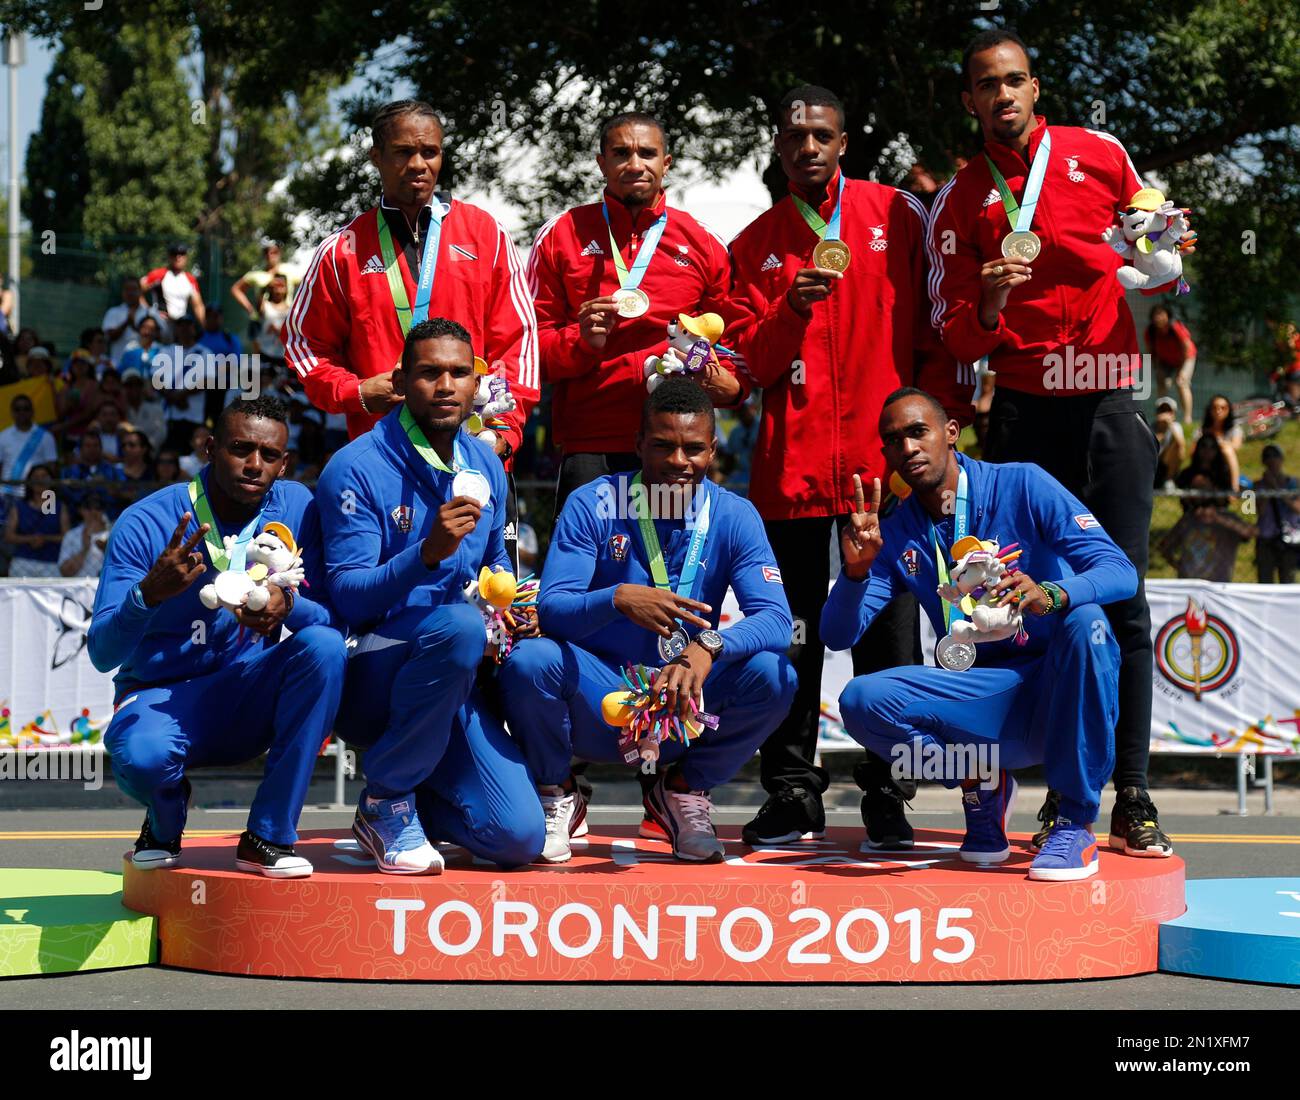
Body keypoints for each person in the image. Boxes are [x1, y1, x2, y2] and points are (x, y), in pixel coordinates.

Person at [926, 29, 1188, 856]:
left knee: (1125, 598)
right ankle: (1059, 794)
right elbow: (955, 335)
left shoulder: (1099, 152)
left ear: (1035, 88)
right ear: (969, 100)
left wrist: (1163, 250)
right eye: (984, 86)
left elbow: (1161, 261)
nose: (1001, 96)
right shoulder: (961, 197)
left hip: (1110, 397)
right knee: (1020, 605)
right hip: (1027, 418)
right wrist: (993, 308)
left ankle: (1134, 792)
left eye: (1013, 81)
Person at [727, 84, 971, 848]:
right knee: (791, 639)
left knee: (888, 640)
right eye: (795, 135)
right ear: (777, 144)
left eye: (822, 135)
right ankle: (794, 790)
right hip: (790, 474)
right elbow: (747, 369)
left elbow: (935, 333)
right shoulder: (754, 244)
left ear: (843, 143)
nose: (808, 147)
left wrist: (928, 451)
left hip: (883, 473)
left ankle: (888, 792)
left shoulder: (897, 215)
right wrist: (788, 309)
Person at [826, 389, 1137, 879]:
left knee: (1089, 623)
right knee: (862, 699)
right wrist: (855, 573)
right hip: (983, 699)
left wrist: (1052, 594)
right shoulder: (897, 532)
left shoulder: (1023, 484)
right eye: (893, 440)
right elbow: (838, 633)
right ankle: (979, 778)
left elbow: (1120, 570)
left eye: (917, 431)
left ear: (951, 432)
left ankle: (1074, 821)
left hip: (1055, 690)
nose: (907, 447)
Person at [501, 378, 797, 863]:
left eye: (693, 448)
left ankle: (680, 793)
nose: (679, 461)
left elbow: (776, 621)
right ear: (638, 445)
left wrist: (708, 647)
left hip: (684, 704)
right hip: (602, 700)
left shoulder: (735, 516)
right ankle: (558, 793)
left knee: (775, 673)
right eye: (662, 445)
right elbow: (552, 608)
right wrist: (615, 599)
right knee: (531, 659)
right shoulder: (593, 503)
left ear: (713, 449)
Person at [316, 317, 544, 874]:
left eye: (459, 373)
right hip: (373, 672)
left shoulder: (486, 462)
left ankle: (413, 802)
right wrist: (426, 552)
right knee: (457, 627)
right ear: (400, 380)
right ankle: (384, 800)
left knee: (518, 839)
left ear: (477, 383)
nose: (445, 386)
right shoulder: (356, 467)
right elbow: (348, 599)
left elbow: (494, 562)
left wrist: (510, 603)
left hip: (453, 669)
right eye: (428, 373)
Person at [89, 396, 346, 876]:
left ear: (284, 462)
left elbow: (337, 620)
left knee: (325, 648)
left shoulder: (298, 506)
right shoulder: (146, 522)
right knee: (144, 757)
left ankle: (268, 835)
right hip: (163, 698)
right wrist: (147, 595)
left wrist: (288, 604)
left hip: (248, 693)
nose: (254, 464)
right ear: (209, 448)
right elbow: (103, 654)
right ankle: (166, 814)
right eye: (240, 448)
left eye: (269, 455)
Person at [286, 99, 538, 566]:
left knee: (489, 602)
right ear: (376, 157)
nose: (418, 164)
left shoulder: (486, 235)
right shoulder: (342, 250)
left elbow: (519, 340)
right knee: (381, 596)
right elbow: (305, 348)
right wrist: (356, 391)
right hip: (384, 459)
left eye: (430, 152)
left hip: (476, 449)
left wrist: (505, 430)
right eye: (403, 152)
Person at [527, 111, 744, 511]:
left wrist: (714, 374)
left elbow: (730, 352)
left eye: (647, 153)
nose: (635, 164)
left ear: (667, 162)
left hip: (675, 446)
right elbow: (527, 354)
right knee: (587, 570)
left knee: (675, 569)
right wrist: (582, 342)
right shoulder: (560, 235)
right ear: (601, 163)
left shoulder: (703, 243)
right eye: (621, 153)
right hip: (592, 442)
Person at [1161, 435, 1255, 582]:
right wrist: (1179, 566)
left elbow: (1249, 532)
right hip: (1189, 583)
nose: (1200, 494)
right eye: (1196, 490)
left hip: (1217, 584)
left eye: (1204, 489)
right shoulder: (1188, 521)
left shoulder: (1226, 518)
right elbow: (1165, 547)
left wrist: (1217, 517)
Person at [153, 314, 212, 453]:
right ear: (176, 329)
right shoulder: (165, 351)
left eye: (188, 325)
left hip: (194, 415)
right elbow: (156, 379)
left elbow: (208, 380)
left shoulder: (204, 352)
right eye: (181, 326)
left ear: (194, 329)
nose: (184, 329)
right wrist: (173, 397)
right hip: (169, 414)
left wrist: (180, 395)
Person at [4, 465, 69, 577]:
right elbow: (9, 536)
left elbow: (67, 536)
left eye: (44, 476)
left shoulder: (59, 507)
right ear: (29, 482)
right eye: (36, 477)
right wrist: (30, 539)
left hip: (51, 563)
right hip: (23, 562)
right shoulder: (19, 507)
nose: (40, 480)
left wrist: (45, 539)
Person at [231, 242, 302, 333]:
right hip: (262, 320)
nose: (270, 255)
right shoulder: (257, 273)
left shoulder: (291, 271)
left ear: (279, 253)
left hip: (285, 320)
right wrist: (251, 310)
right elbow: (236, 289)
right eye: (267, 252)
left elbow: (307, 286)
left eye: (274, 252)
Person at [0, 393, 58, 502]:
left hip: (36, 495)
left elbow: (52, 470)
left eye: (26, 409)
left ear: (32, 412)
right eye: (18, 409)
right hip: (6, 494)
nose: (22, 412)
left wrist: (48, 499)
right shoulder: (2, 436)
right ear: (12, 413)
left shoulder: (46, 437)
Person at [1255, 443, 1300, 584]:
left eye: (1275, 455)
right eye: (1267, 456)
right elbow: (1253, 511)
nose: (1272, 460)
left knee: (1288, 581)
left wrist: (1276, 489)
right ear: (1263, 461)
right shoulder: (1256, 486)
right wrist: (1267, 490)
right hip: (1266, 539)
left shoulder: (1295, 483)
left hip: (1289, 539)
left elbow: (1297, 508)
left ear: (1282, 459)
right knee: (1265, 581)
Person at [1145, 305, 1196, 425]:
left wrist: (1182, 370)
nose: (1158, 318)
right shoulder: (1150, 332)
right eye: (1156, 315)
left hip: (1186, 358)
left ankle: (1187, 419)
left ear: (1168, 316)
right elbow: (1151, 351)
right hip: (1165, 361)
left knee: (1182, 383)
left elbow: (1187, 348)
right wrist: (1157, 368)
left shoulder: (1175, 327)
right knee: (1161, 382)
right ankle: (1162, 415)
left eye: (1161, 314)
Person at [101, 277, 166, 365]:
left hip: (144, 366)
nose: (130, 293)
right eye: (127, 289)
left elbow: (162, 338)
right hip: (118, 364)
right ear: (122, 292)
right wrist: (127, 322)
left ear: (140, 292)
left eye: (134, 289)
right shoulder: (113, 312)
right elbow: (109, 337)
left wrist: (139, 329)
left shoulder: (151, 313)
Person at [141, 243, 205, 330]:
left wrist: (205, 327)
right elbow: (137, 291)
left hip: (180, 327)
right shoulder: (158, 275)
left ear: (186, 257)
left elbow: (198, 306)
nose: (178, 257)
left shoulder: (190, 279)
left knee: (182, 342)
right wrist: (148, 311)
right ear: (169, 256)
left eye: (182, 254)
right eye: (174, 254)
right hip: (160, 325)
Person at [1194, 393, 1242, 492]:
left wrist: (1218, 442)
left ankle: (1234, 487)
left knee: (1228, 450)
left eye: (1223, 408)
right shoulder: (1201, 430)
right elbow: (1193, 451)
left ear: (1229, 410)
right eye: (1214, 407)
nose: (1218, 411)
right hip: (1204, 463)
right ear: (1210, 410)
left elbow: (1236, 446)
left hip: (1223, 464)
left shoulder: (1234, 429)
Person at [58, 491, 113, 578]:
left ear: (103, 510)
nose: (93, 511)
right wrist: (85, 549)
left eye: (98, 507)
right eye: (88, 507)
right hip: (78, 588)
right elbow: (65, 572)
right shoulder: (71, 535)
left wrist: (107, 549)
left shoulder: (113, 534)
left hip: (105, 587)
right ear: (80, 510)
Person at [119, 361, 166, 453]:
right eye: (129, 385)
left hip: (150, 456)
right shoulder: (118, 410)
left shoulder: (156, 409)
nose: (133, 388)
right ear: (123, 388)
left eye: (137, 384)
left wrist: (145, 448)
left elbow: (161, 432)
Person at [1152, 396, 1185, 488]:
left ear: (1173, 414)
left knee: (1178, 447)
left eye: (1168, 411)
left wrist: (1170, 425)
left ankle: (1168, 480)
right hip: (1154, 464)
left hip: (1167, 464)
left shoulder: (1176, 426)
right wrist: (1160, 432)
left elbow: (1181, 445)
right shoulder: (1151, 427)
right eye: (1162, 410)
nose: (1165, 414)